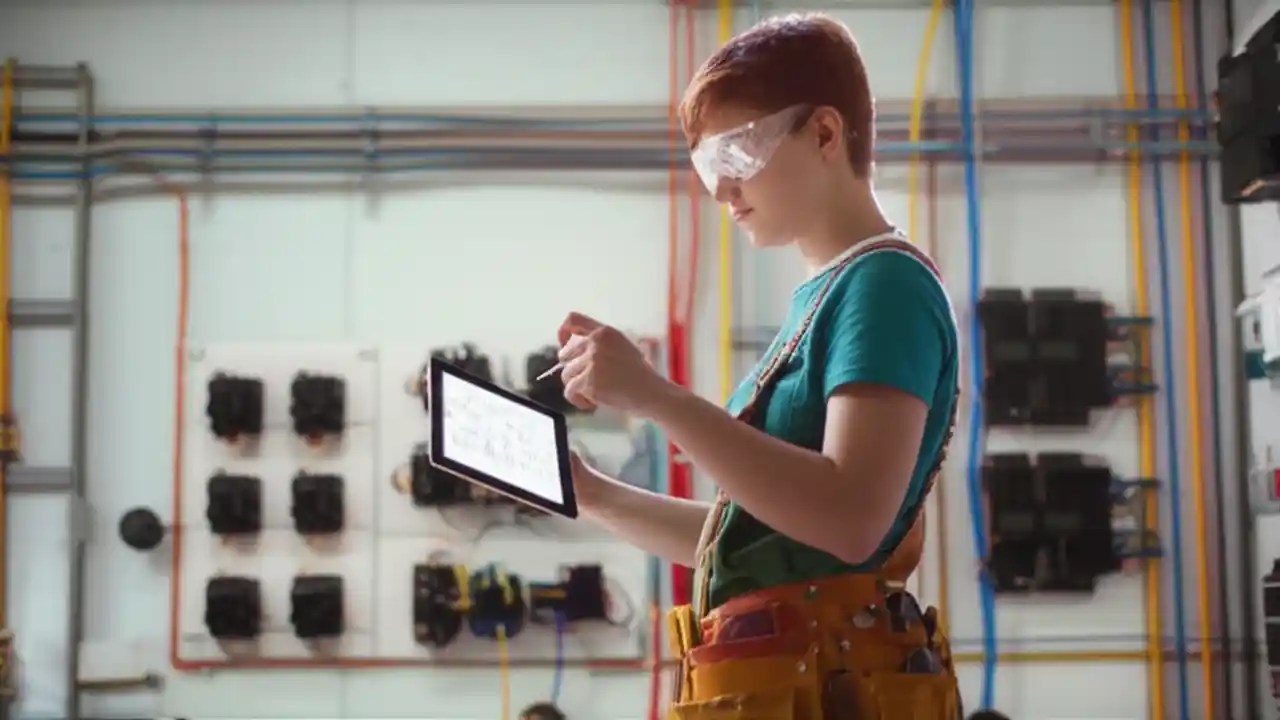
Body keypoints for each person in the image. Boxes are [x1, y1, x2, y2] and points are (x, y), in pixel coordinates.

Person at [554, 12, 962, 719]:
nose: (719, 190)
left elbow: (850, 518)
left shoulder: (884, 286)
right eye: (706, 166)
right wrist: (592, 494)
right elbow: (757, 545)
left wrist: (657, 397)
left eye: (736, 155)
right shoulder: (830, 296)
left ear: (825, 134)